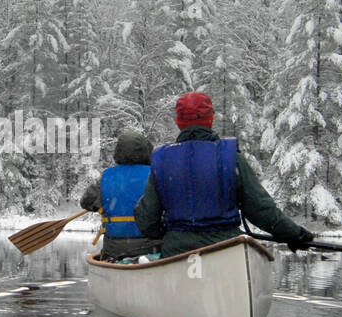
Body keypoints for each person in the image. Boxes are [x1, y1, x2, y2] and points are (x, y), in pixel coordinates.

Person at [134, 92, 314, 257]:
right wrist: (294, 234)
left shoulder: (162, 161)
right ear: (210, 119)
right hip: (226, 249)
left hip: (177, 251)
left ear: (178, 122)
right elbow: (261, 210)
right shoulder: (231, 158)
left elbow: (147, 219)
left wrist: (170, 235)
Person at [80, 128, 162, 260]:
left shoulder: (106, 177)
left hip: (114, 249)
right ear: (147, 151)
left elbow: (86, 202)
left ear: (118, 152)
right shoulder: (156, 174)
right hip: (151, 247)